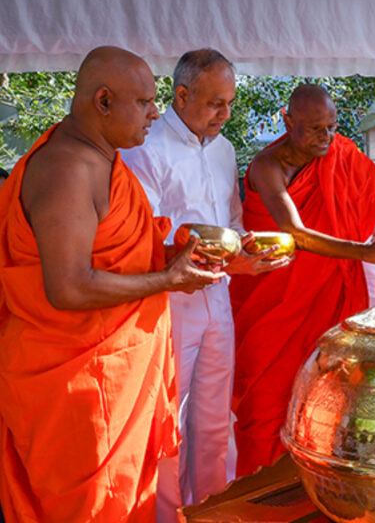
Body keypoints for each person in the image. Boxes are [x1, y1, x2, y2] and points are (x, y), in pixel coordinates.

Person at [0, 46, 220, 521]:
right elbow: (70, 288)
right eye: (143, 102)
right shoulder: (69, 169)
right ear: (103, 101)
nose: (154, 113)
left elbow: (111, 253)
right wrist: (168, 278)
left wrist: (172, 257)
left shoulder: (103, 160)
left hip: (110, 373)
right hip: (79, 388)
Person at [121, 49, 286, 520]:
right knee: (170, 418)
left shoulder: (224, 149)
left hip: (219, 297)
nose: (225, 114)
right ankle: (168, 514)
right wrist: (218, 259)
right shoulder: (145, 147)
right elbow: (147, 234)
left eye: (230, 103)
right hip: (171, 301)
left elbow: (230, 220)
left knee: (215, 420)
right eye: (216, 103)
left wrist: (246, 252)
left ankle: (213, 511)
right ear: (182, 95)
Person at [229, 84, 375, 477]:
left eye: (331, 126)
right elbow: (296, 233)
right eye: (314, 129)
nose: (326, 137)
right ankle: (261, 505)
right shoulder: (267, 166)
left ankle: (321, 496)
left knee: (328, 402)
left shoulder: (340, 155)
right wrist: (366, 252)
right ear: (288, 120)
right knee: (264, 403)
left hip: (328, 300)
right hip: (273, 306)